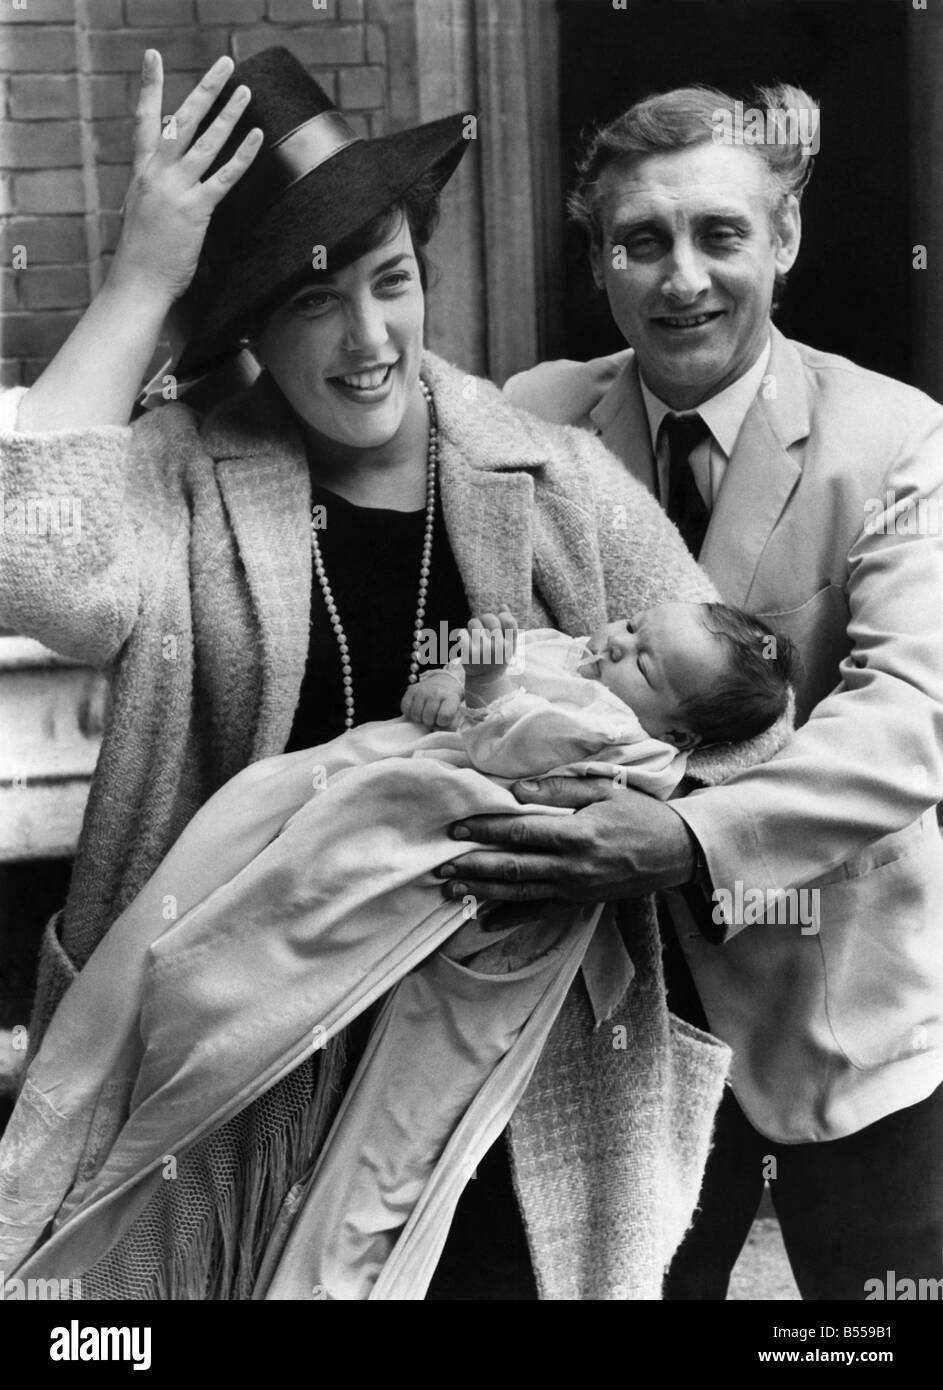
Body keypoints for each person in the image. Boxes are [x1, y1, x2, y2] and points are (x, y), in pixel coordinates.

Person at [0, 47, 733, 1300]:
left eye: (392, 283)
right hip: (239, 1074)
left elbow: (730, 710)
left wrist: (657, 822)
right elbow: (31, 564)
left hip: (494, 1082)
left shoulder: (550, 476)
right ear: (243, 324)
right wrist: (142, 283)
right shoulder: (183, 471)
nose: (365, 340)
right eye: (309, 301)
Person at [463, 82, 943, 1300]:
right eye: (641, 241)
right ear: (598, 262)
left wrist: (686, 835)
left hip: (836, 1022)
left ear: (782, 241)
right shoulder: (533, 418)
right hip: (606, 1036)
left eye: (720, 234)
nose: (681, 279)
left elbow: (908, 721)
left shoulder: (895, 439)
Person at [0, 599, 792, 1299]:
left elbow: (505, 749)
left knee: (371, 1155)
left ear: (675, 729)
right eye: (629, 624)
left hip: (453, 900)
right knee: (208, 1004)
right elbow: (465, 697)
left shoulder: (620, 735)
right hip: (361, 825)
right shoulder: (579, 662)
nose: (613, 643)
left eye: (643, 662)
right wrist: (448, 682)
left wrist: (478, 685)